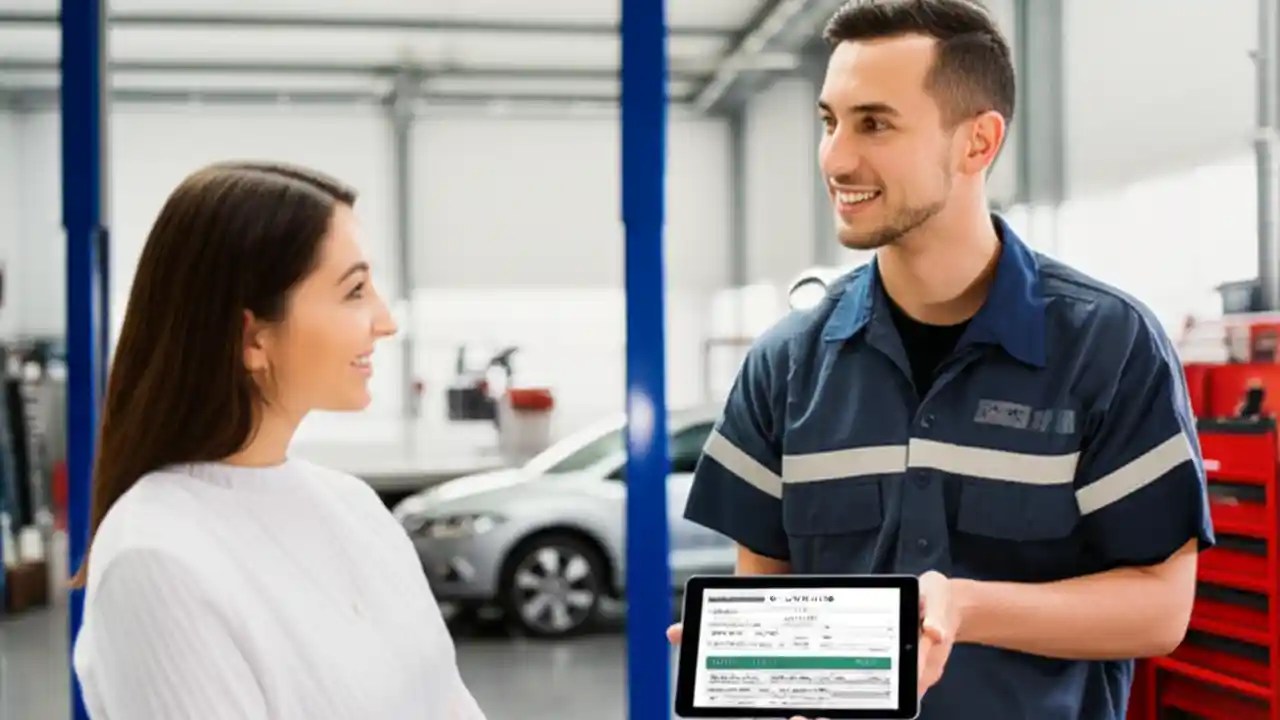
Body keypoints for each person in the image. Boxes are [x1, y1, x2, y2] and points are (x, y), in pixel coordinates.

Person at [669, 1, 1214, 719]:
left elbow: (1159, 610)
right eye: (829, 121)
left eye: (875, 123)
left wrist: (963, 607)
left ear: (977, 143)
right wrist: (758, 665)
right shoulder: (786, 365)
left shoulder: (1109, 348)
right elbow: (773, 593)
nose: (835, 158)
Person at [70, 162, 487, 719]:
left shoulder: (354, 506)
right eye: (355, 291)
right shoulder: (156, 558)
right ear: (253, 338)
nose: (385, 321)